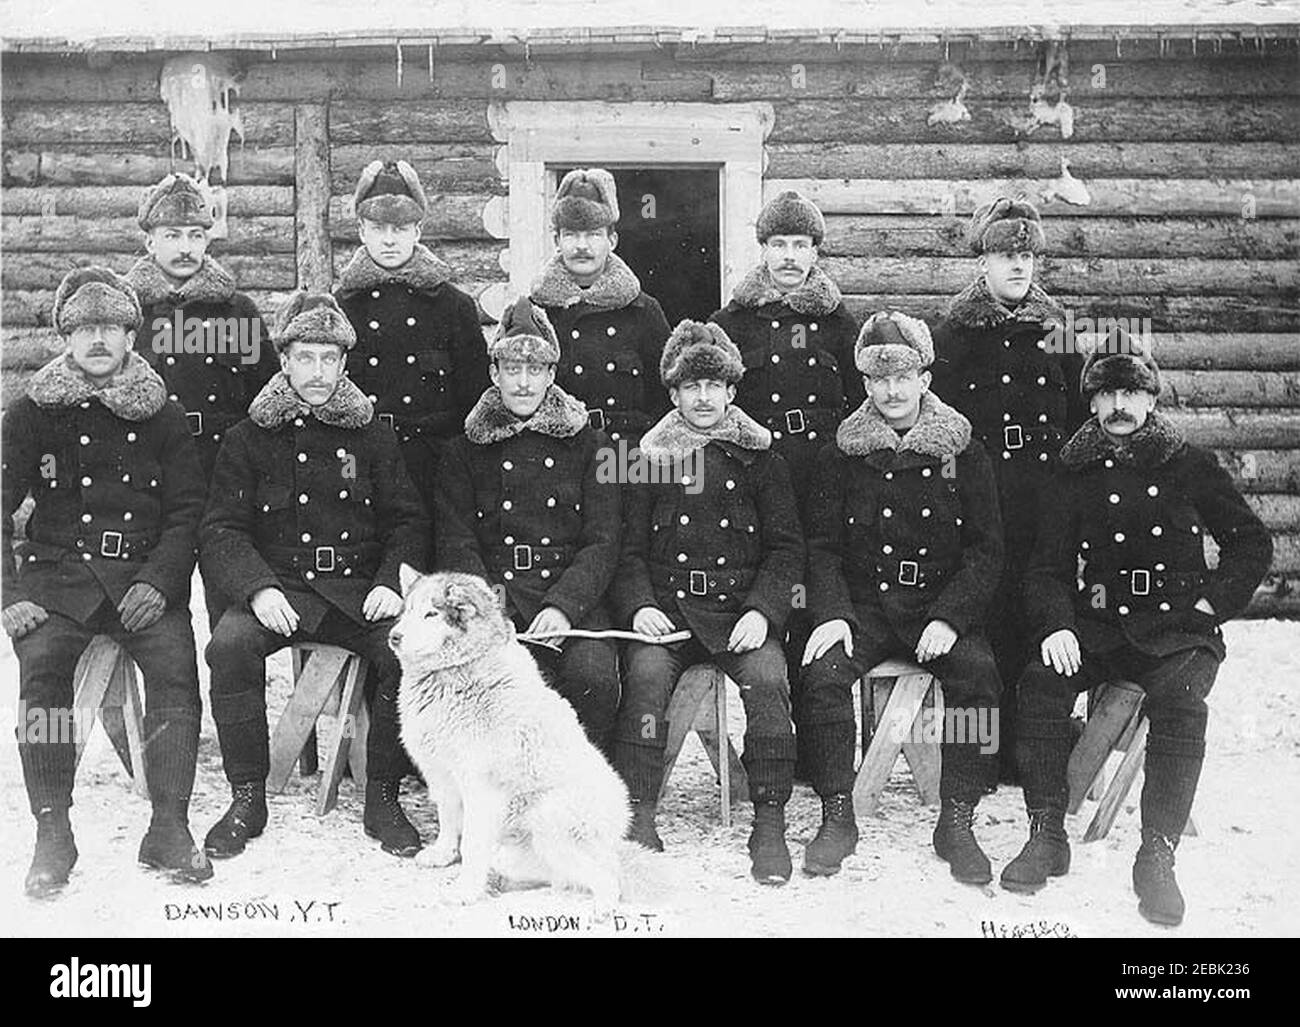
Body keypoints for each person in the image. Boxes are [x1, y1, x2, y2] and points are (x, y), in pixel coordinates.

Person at [1002, 329, 1272, 926]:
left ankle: (1157, 855)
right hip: (1097, 627)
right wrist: (1055, 625)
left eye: (1132, 393)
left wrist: (1210, 606)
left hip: (1178, 629)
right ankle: (1047, 832)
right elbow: (1045, 566)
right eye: (1107, 394)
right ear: (1092, 403)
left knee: (1181, 703)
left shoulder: (1189, 464)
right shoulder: (1071, 471)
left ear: (1151, 400)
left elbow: (1250, 543)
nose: (1119, 406)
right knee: (1039, 685)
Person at [2, 267, 212, 896]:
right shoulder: (31, 413)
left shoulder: (164, 413)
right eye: (85, 328)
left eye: (110, 328)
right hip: (56, 582)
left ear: (130, 335)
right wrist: (9, 594)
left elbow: (187, 510)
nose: (98, 340)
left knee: (178, 674)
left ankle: (169, 828)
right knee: (41, 682)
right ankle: (52, 831)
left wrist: (163, 580)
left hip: (143, 582)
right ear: (67, 335)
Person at [199, 293, 430, 859]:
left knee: (407, 654)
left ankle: (383, 796)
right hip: (282, 588)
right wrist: (258, 587)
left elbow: (407, 519)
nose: (318, 371)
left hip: (357, 591)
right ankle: (247, 795)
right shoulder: (248, 437)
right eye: (306, 358)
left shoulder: (372, 434)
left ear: (345, 363)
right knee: (229, 647)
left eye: (330, 358)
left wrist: (386, 582)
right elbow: (222, 528)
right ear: (284, 362)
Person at [801, 312, 1004, 881]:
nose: (891, 390)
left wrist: (951, 617)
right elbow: (823, 549)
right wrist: (835, 615)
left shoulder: (963, 450)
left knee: (980, 679)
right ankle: (837, 813)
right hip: (866, 610)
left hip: (938, 608)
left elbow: (986, 552)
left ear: (925, 378)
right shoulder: (841, 453)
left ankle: (958, 816)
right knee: (821, 674)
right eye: (879, 378)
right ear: (865, 384)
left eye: (903, 376)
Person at [612, 320, 804, 884]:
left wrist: (763, 611)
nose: (703, 397)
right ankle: (639, 813)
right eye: (691, 387)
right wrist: (639, 606)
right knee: (644, 677)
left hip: (739, 612)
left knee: (769, 679)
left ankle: (769, 819)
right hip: (669, 612)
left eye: (714, 386)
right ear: (673, 394)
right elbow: (627, 552)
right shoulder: (649, 459)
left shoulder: (762, 459)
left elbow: (787, 550)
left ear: (732, 392)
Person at [929, 197, 1087, 783]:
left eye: (1026, 255)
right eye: (1005, 255)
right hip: (982, 490)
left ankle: (1033, 742)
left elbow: (1078, 416)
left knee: (1038, 603)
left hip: (1045, 491)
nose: (1018, 267)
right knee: (987, 610)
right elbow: (938, 419)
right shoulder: (955, 332)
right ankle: (984, 749)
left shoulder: (1060, 331)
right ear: (983, 260)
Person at [709, 188, 862, 780]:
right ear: (763, 249)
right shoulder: (732, 321)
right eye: (779, 245)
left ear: (816, 251)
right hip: (754, 474)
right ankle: (770, 735)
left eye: (801, 245)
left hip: (821, 470)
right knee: (768, 589)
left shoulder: (839, 322)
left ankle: (813, 741)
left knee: (813, 587)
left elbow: (859, 399)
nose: (791, 256)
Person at [434, 297, 622, 749]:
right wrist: (486, 613)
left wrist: (563, 606)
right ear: (494, 374)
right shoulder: (462, 451)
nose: (522, 383)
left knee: (593, 675)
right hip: (497, 598)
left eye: (534, 370)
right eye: (511, 369)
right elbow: (457, 542)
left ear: (551, 375)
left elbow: (603, 541)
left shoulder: (595, 446)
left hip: (570, 596)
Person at [126, 172, 278, 627]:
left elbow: (268, 398)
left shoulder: (237, 312)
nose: (185, 247)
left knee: (228, 605)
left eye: (196, 235)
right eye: (172, 235)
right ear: (150, 241)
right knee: (152, 603)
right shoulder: (125, 312)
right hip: (150, 473)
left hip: (222, 474)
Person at [335, 159, 488, 486]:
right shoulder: (340, 308)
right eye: (378, 228)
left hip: (432, 464)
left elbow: (474, 400)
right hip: (358, 462)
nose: (389, 240)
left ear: (418, 231)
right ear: (362, 231)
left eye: (400, 228)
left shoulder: (454, 307)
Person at [530, 168, 672, 450]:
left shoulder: (643, 310)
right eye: (571, 235)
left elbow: (666, 397)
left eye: (594, 235)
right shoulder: (536, 311)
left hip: (624, 456)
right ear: (557, 241)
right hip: (560, 454)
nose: (582, 246)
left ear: (612, 241)